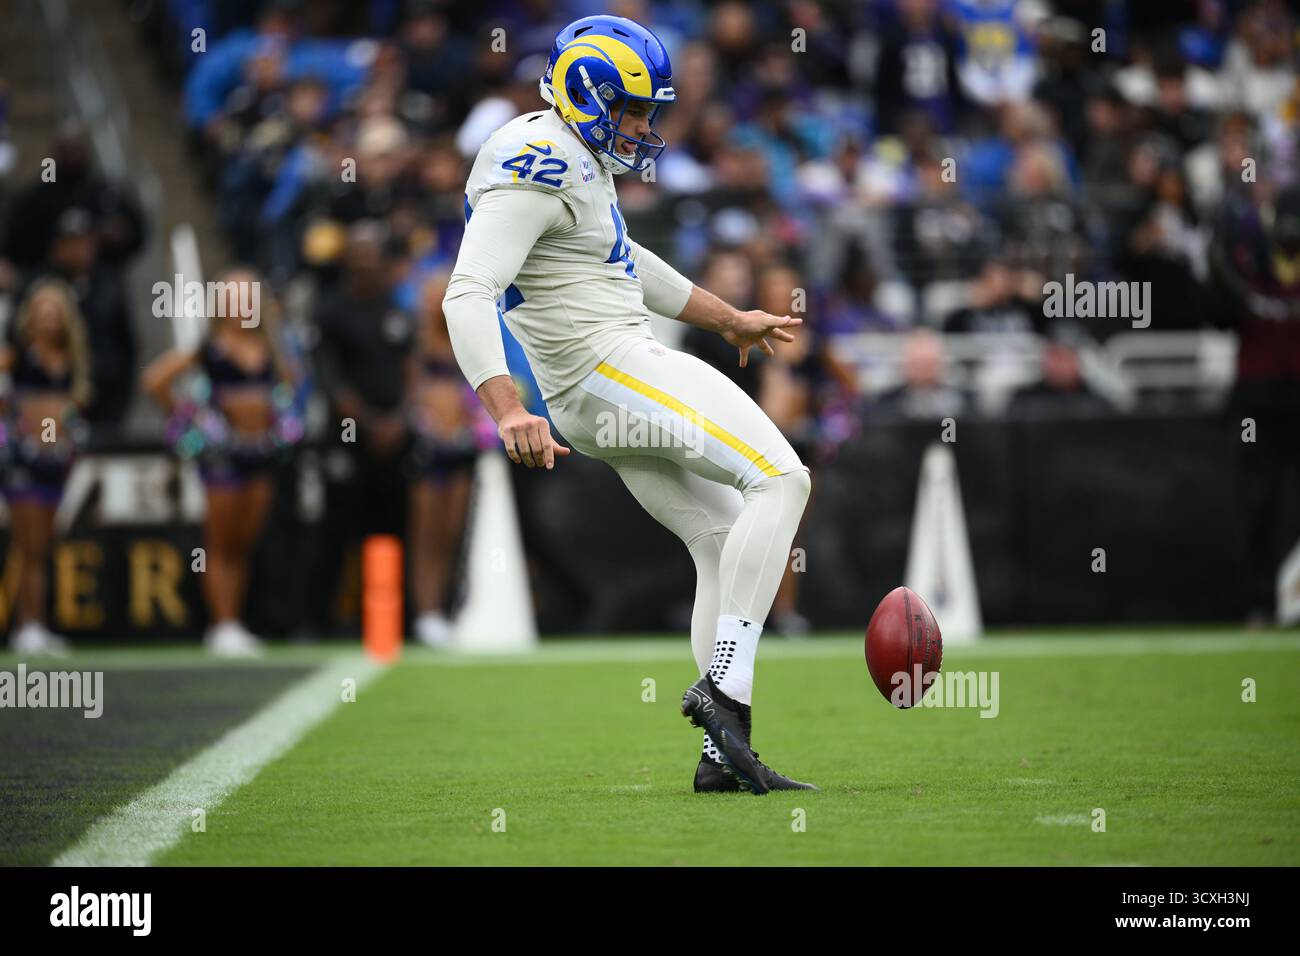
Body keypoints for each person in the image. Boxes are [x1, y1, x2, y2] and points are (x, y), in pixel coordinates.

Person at [443, 15, 814, 795]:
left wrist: (729, 318)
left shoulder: (572, 156)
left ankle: (722, 757)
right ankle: (724, 695)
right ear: (587, 97)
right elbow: (466, 293)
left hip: (602, 382)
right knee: (782, 479)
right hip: (606, 368)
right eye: (635, 111)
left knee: (719, 541)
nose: (645, 128)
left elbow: (622, 257)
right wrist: (505, 407)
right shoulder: (534, 160)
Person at [141, 268, 298, 656]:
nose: (240, 304)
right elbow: (155, 380)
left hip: (259, 453)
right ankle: (221, 623)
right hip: (222, 458)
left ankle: (234, 622)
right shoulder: (209, 348)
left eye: (247, 296)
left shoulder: (270, 347)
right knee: (221, 542)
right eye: (232, 296)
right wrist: (187, 418)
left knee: (245, 541)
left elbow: (290, 387)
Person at [1, 279, 93, 654]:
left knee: (46, 544)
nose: (49, 319)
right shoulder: (19, 356)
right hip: (23, 460)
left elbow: (73, 408)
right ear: (31, 317)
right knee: (29, 545)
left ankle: (38, 622)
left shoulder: (71, 361)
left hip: (56, 461)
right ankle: (26, 626)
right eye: (42, 311)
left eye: (56, 312)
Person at [408, 271, 482, 648]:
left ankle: (450, 609)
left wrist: (473, 425)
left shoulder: (466, 341)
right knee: (428, 536)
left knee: (453, 533)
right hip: (429, 450)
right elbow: (410, 393)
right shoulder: (418, 345)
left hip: (460, 448)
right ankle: (426, 611)